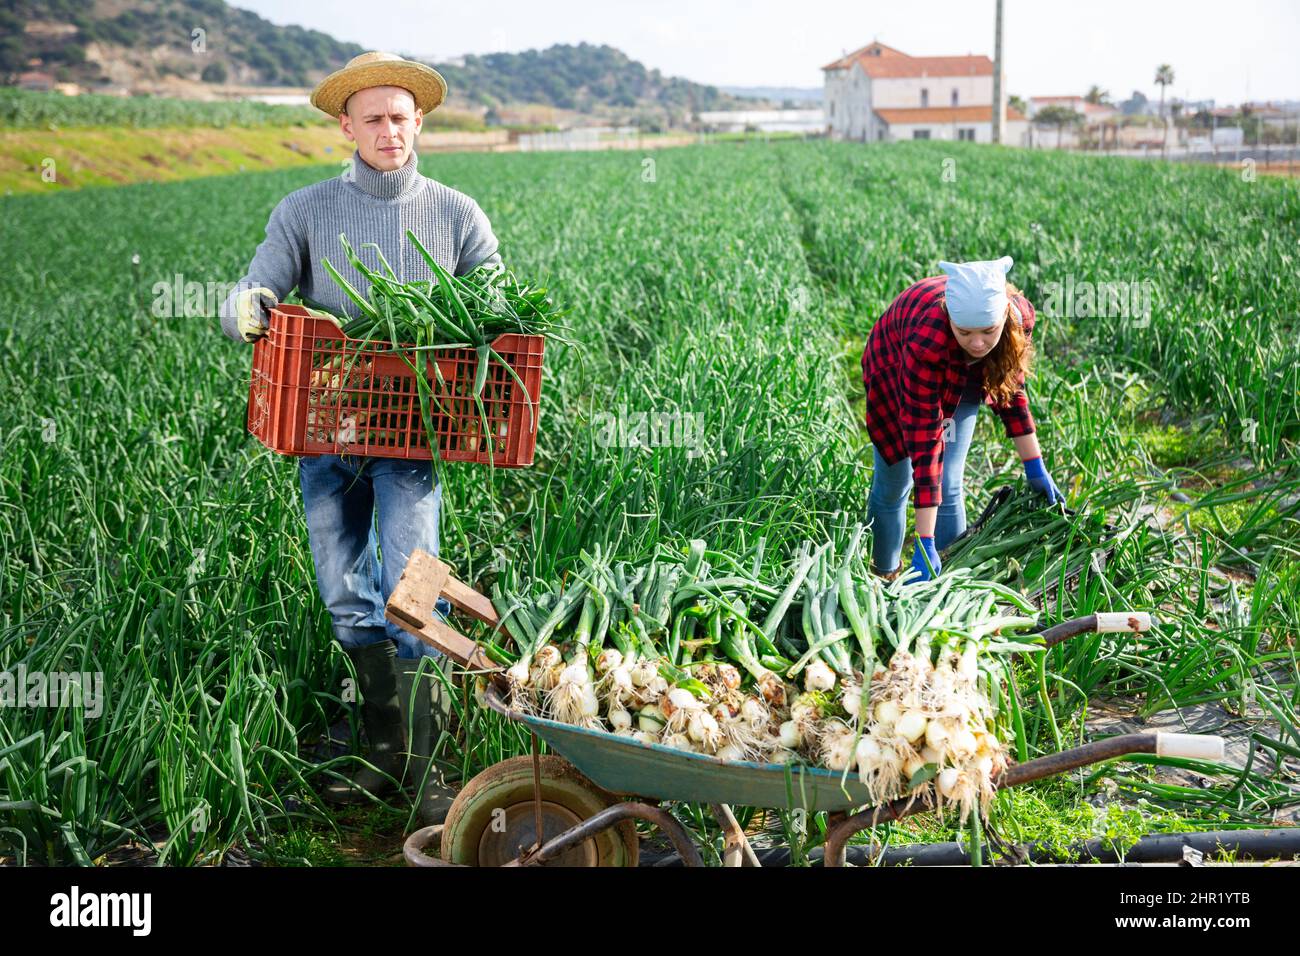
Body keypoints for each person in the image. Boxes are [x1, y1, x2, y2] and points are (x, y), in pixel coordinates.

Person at [219, 52, 502, 825]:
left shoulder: (457, 213)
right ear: (345, 125)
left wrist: (503, 319)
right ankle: (383, 752)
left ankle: (426, 769)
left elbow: (496, 298)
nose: (389, 131)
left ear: (420, 124)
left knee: (413, 596)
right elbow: (256, 285)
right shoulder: (305, 210)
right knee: (347, 597)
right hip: (324, 432)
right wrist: (245, 309)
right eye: (373, 118)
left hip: (415, 435)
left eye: (401, 118)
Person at [860, 256, 1064, 582]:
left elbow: (1011, 394)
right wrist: (923, 541)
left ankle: (946, 581)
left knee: (949, 481)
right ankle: (882, 574)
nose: (978, 342)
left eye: (988, 331)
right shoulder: (926, 342)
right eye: (965, 331)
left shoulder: (1018, 319)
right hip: (897, 365)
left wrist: (1034, 466)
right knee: (895, 480)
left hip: (962, 373)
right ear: (951, 319)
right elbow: (926, 441)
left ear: (1003, 318)